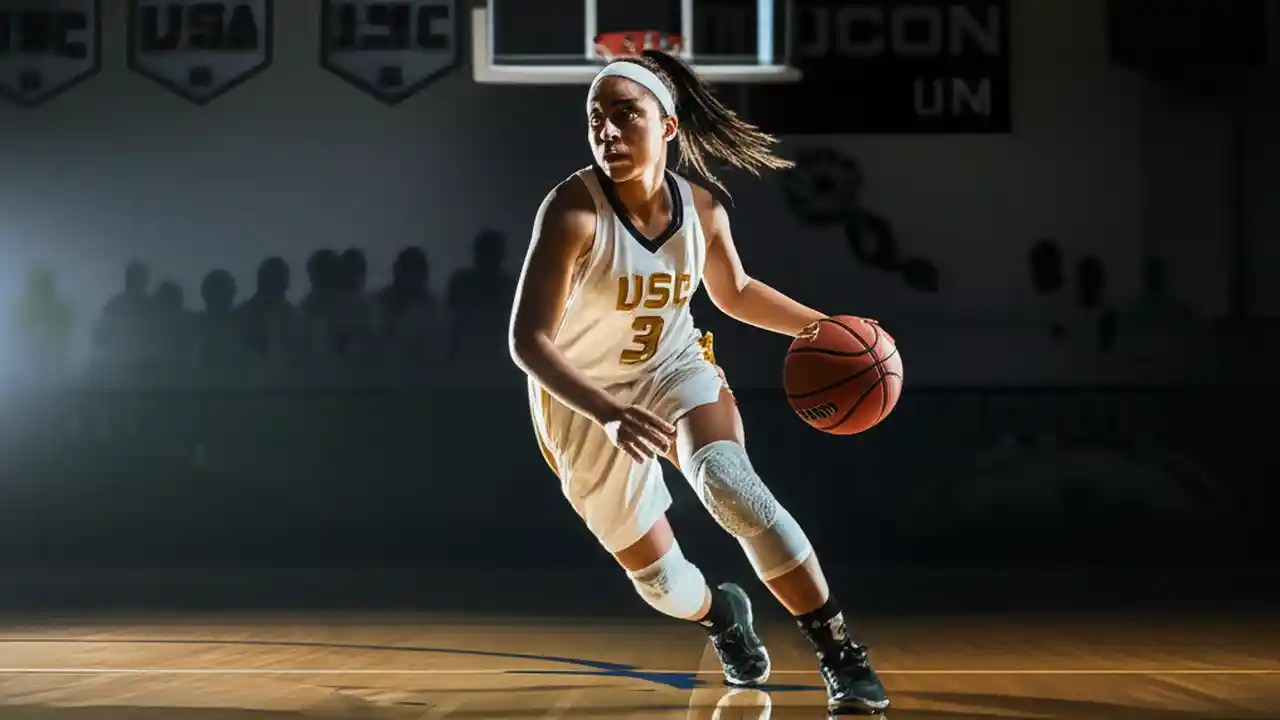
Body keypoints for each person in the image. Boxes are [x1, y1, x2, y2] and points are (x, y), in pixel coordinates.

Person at [507, 50, 890, 716]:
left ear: (668, 126)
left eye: (625, 114)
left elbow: (735, 291)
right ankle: (720, 616)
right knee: (661, 584)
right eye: (595, 118)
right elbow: (527, 341)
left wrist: (825, 329)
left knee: (724, 480)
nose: (607, 131)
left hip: (672, 367)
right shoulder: (572, 212)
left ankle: (840, 652)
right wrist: (606, 413)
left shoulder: (704, 209)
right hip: (582, 398)